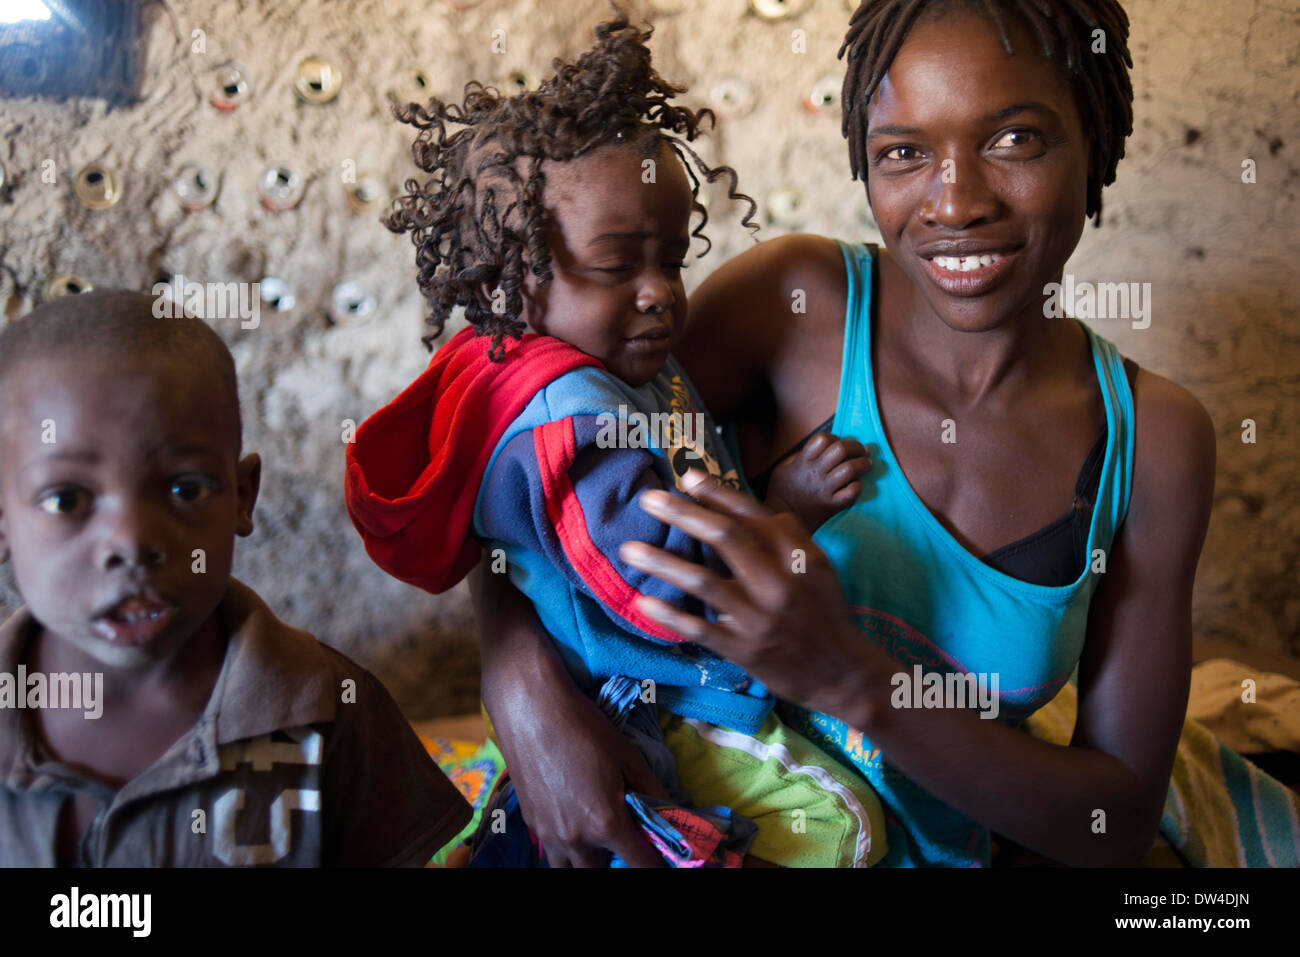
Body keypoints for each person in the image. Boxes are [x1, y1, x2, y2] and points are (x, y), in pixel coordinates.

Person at [474, 0, 1218, 867]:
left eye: (1013, 139)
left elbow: (1115, 820)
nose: (956, 201)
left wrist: (848, 678)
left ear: (1094, 141)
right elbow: (533, 476)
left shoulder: (1152, 439)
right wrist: (520, 692)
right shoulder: (792, 307)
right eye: (904, 152)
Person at [345, 13, 887, 867]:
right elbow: (664, 595)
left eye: (672, 259)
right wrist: (785, 520)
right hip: (636, 705)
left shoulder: (612, 365)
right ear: (515, 275)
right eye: (617, 265)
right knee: (841, 826)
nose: (660, 294)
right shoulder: (570, 420)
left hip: (609, 685)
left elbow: (684, 473)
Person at [0, 290, 472, 866]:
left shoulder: (331, 713)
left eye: (186, 489)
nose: (131, 543)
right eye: (67, 498)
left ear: (242, 498)